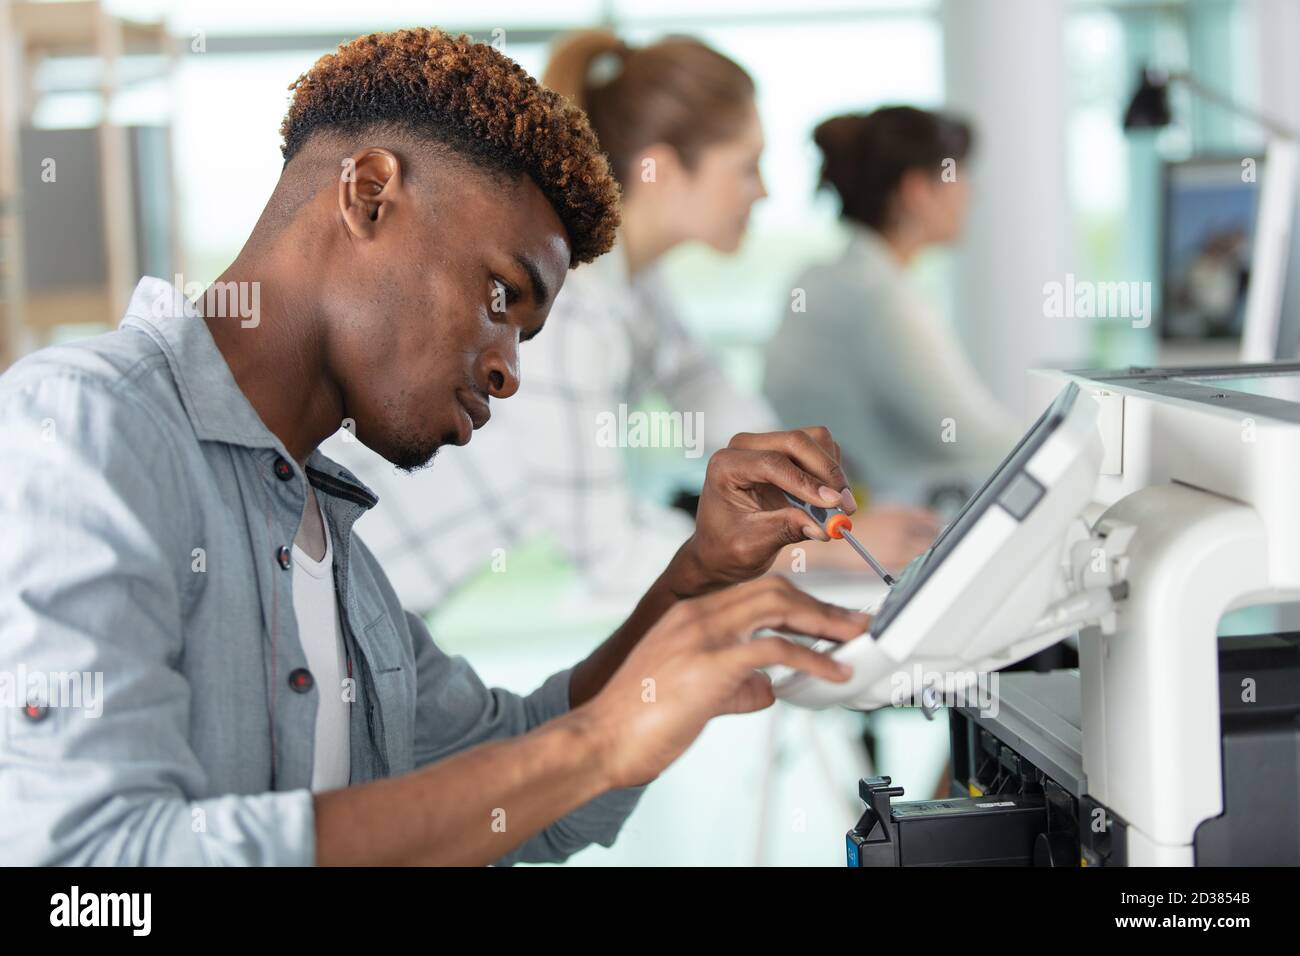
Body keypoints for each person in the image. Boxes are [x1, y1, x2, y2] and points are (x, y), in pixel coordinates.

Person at [0, 28, 870, 866]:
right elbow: (91, 870)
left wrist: (700, 577)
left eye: (526, 334)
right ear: (369, 193)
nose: (508, 374)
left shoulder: (337, 550)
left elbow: (516, 774)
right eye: (500, 296)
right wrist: (594, 748)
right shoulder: (85, 430)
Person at [325, 31, 940, 615]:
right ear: (664, 170)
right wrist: (808, 551)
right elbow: (612, 554)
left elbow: (713, 399)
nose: (764, 193)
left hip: (392, 589)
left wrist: (822, 506)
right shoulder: (574, 308)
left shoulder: (636, 283)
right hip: (351, 580)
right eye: (747, 167)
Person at [763, 107, 1021, 508]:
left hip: (827, 518)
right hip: (873, 527)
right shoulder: (882, 299)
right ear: (918, 190)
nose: (971, 192)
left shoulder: (818, 278)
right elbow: (976, 439)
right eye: (958, 175)